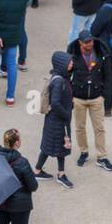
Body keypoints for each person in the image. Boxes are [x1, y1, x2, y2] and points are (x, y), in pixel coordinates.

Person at [69, 28, 112, 171]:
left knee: (99, 128)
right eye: (86, 43)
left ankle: (102, 157)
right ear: (80, 43)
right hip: (78, 99)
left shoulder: (101, 54)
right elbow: (66, 75)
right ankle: (84, 152)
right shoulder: (72, 55)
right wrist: (71, 96)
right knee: (79, 127)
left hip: (96, 98)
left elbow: (108, 76)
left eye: (91, 42)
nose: (89, 45)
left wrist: (104, 96)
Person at [35, 51, 74, 188]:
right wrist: (66, 114)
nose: (72, 64)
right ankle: (61, 174)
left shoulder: (60, 77)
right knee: (61, 147)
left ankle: (38, 170)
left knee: (49, 146)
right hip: (58, 120)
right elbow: (56, 103)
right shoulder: (59, 82)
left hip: (54, 119)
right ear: (62, 64)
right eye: (69, 62)